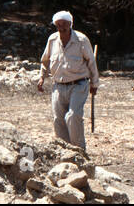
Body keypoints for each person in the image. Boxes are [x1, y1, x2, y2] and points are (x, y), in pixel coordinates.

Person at [38, 11, 99, 153]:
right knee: (58, 119)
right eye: (58, 24)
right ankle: (64, 151)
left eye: (64, 24)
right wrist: (42, 77)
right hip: (58, 85)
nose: (62, 27)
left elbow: (91, 62)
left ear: (70, 24)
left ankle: (79, 151)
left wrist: (94, 84)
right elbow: (45, 60)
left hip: (79, 84)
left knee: (73, 116)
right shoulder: (52, 40)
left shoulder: (81, 40)